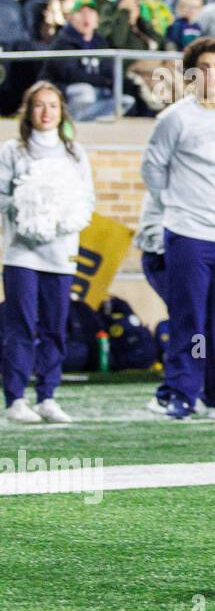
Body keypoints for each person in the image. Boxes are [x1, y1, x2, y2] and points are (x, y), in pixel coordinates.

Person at [142, 37, 215, 421]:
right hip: (188, 232)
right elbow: (153, 169)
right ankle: (181, 392)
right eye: (203, 68)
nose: (212, 74)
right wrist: (175, 205)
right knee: (190, 320)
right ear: (191, 75)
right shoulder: (175, 118)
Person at [0, 82, 94, 424]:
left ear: (62, 112)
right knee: (21, 325)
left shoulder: (74, 153)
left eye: (52, 106)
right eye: (39, 105)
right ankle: (15, 399)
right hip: (21, 254)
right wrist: (28, 204)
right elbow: (0, 196)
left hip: (61, 254)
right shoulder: (13, 151)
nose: (46, 112)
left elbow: (87, 200)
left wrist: (60, 214)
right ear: (28, 112)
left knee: (55, 327)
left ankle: (48, 396)